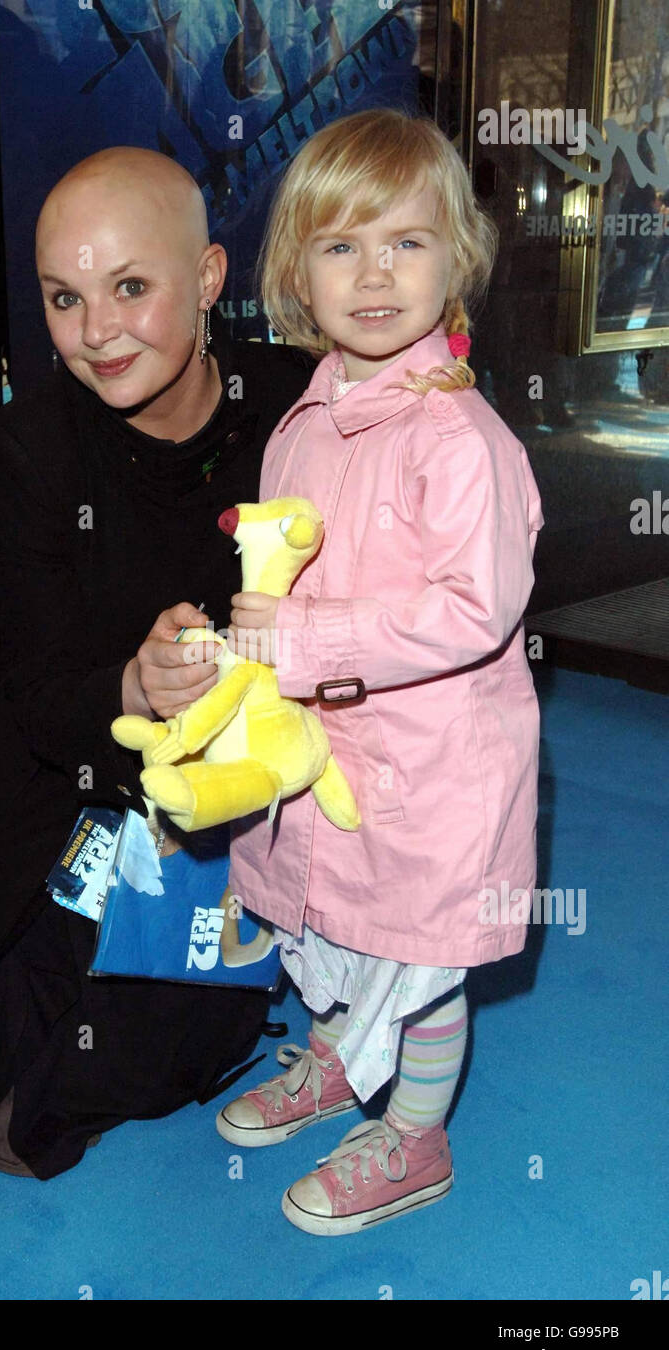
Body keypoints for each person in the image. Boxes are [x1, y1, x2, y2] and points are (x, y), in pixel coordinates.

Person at [0, 147, 314, 1180]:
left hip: (227, 792)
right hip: (56, 774)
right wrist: (130, 685)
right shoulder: (26, 448)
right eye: (63, 298)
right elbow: (36, 691)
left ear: (209, 278)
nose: (96, 332)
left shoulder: (298, 401)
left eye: (130, 287)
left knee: (88, 1086)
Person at [216, 108, 544, 1235]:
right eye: (340, 245)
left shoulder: (459, 440)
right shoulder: (301, 419)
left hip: (429, 771)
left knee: (417, 961)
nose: (372, 275)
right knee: (333, 933)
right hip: (326, 762)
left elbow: (473, 607)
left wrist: (307, 643)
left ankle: (413, 1131)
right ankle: (332, 1066)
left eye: (404, 243)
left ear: (453, 256)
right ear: (296, 270)